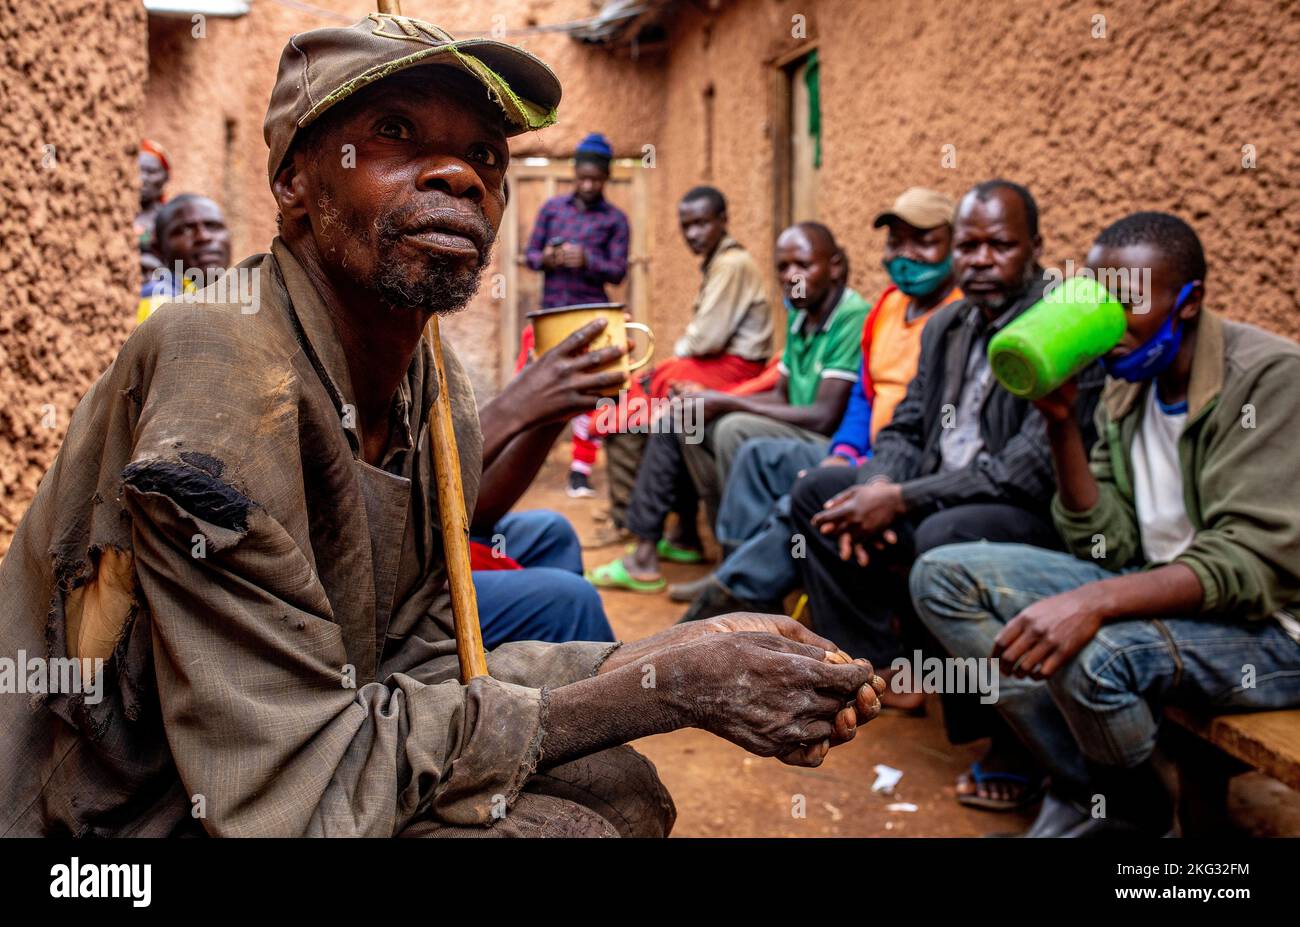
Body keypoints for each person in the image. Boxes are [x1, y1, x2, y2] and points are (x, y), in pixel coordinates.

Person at [0, 14, 883, 838]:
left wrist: (673, 655)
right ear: (293, 182)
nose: (460, 174)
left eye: (485, 156)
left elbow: (412, 664)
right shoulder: (221, 359)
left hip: (304, 752)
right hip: (118, 817)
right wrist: (672, 690)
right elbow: (284, 788)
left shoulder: (430, 376)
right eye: (393, 133)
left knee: (624, 788)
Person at [911, 212, 1300, 836]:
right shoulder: (1128, 380)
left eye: (1129, 301)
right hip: (1161, 590)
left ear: (1190, 301)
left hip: (1273, 631)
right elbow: (1104, 541)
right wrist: (1060, 422)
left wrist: (1094, 601)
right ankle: (1106, 788)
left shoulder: (1269, 378)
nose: (1108, 322)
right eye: (1098, 299)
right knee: (942, 575)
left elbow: (1249, 564)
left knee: (1092, 653)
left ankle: (1130, 816)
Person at [786, 181, 1104, 735]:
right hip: (937, 494)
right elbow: (906, 426)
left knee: (943, 532)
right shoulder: (947, 326)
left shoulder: (1058, 328)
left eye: (1000, 246)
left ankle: (991, 732)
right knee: (821, 494)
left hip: (1025, 514)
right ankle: (878, 667)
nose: (981, 261)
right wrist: (877, 486)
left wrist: (899, 499)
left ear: (1036, 247)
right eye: (969, 247)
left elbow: (1026, 472)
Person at [673, 187, 963, 615]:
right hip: (863, 451)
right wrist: (845, 452)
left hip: (904, 465)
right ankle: (735, 573)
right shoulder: (888, 307)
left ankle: (736, 600)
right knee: (756, 455)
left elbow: (924, 427)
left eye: (924, 240)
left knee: (806, 492)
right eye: (896, 241)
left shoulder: (957, 317)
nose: (908, 254)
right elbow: (864, 400)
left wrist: (864, 464)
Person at [588, 222, 866, 592]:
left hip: (827, 443)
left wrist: (724, 401)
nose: (791, 277)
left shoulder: (850, 316)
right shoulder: (802, 313)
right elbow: (781, 395)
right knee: (683, 417)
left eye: (803, 265)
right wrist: (711, 402)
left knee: (732, 428)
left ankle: (735, 569)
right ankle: (647, 551)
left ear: (834, 266)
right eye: (783, 268)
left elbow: (824, 415)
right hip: (791, 425)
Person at [596, 186, 774, 541]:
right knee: (640, 399)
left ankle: (634, 524)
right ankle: (675, 527)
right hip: (719, 367)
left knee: (628, 412)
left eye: (702, 223)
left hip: (734, 372)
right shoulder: (720, 261)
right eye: (686, 225)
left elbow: (704, 340)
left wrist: (677, 353)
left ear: (723, 221)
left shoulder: (731, 264)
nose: (692, 233)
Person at [522, 131, 630, 498]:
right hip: (551, 314)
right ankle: (519, 462)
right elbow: (531, 256)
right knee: (533, 386)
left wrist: (587, 261)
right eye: (582, 177)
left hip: (592, 318)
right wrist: (550, 258)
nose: (587, 184)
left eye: (595, 179)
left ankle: (580, 471)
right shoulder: (552, 210)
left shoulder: (616, 220)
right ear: (574, 173)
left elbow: (618, 271)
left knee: (592, 394)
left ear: (606, 178)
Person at [136, 193, 232, 324]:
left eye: (213, 226)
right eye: (185, 230)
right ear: (158, 249)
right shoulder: (161, 300)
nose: (203, 237)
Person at [135, 138, 170, 257]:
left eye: (151, 172)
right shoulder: (115, 215)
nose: (143, 179)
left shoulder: (170, 216)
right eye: (138, 171)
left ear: (166, 176)